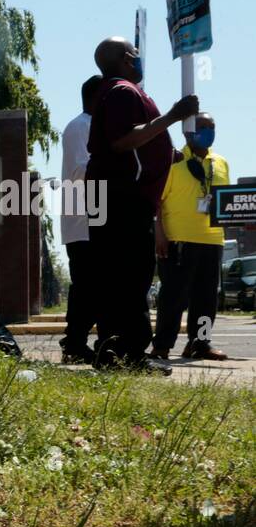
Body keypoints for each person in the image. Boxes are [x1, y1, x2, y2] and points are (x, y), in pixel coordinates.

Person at [84, 37, 198, 373]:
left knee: (117, 277)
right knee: (131, 277)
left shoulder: (114, 92)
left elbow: (131, 142)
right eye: (135, 55)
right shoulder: (123, 91)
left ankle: (112, 352)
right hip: (123, 197)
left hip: (115, 195)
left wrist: (163, 154)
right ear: (125, 59)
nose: (139, 59)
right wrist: (174, 116)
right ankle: (129, 355)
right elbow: (123, 141)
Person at [149, 113, 230, 361]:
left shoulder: (221, 163)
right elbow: (157, 201)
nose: (208, 132)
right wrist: (159, 234)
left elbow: (225, 201)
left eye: (212, 127)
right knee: (173, 296)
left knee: (206, 298)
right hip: (178, 239)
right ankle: (162, 346)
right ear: (187, 131)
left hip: (212, 239)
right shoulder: (173, 161)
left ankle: (200, 343)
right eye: (202, 127)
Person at [58, 75, 103, 364]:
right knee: (86, 287)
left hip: (97, 219)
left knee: (95, 287)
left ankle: (78, 342)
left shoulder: (96, 127)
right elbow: (79, 171)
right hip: (83, 222)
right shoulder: (79, 127)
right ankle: (74, 344)